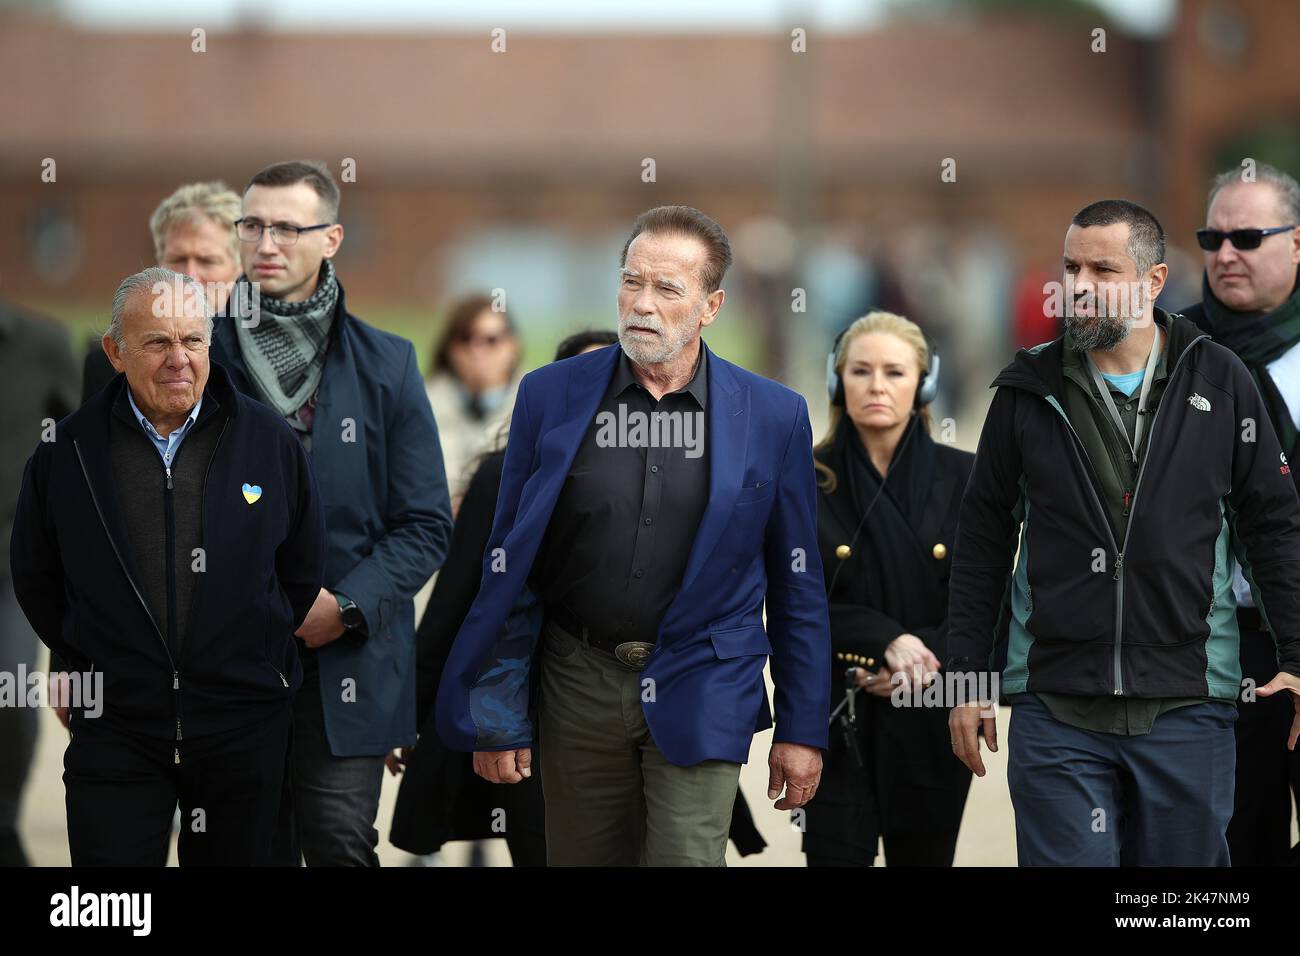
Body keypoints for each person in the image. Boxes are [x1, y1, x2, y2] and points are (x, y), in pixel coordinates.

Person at [436, 205, 830, 866]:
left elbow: (798, 589)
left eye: (667, 289)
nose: (642, 304)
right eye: (631, 281)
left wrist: (802, 727)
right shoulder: (548, 396)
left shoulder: (773, 416)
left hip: (706, 676)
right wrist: (497, 708)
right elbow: (511, 567)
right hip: (576, 681)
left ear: (710, 307)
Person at [948, 199, 1300, 866]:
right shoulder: (1027, 389)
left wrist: (1297, 655)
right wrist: (967, 676)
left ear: (1154, 280)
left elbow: (1274, 526)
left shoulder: (1220, 379)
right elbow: (982, 541)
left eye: (1103, 271)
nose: (1078, 285)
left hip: (1189, 703)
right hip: (1057, 710)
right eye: (1071, 268)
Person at [10, 268, 325, 865]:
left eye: (192, 340)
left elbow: (302, 566)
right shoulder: (67, 451)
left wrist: (251, 652)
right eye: (157, 341)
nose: (178, 359)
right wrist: (93, 653)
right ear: (115, 352)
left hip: (244, 728)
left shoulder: (268, 439)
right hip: (116, 731)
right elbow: (37, 574)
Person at [211, 159, 453, 866]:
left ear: (332, 238)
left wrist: (344, 607)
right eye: (252, 225)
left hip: (350, 657)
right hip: (223, 658)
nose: (266, 244)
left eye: (287, 228)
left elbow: (425, 524)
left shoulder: (388, 364)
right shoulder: (196, 354)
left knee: (339, 846)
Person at [804, 310, 973, 867]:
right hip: (835, 712)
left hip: (931, 707)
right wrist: (883, 640)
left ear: (924, 383)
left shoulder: (967, 477)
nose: (877, 385)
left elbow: (987, 601)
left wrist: (924, 661)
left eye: (895, 372)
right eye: (861, 370)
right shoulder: (802, 478)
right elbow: (794, 602)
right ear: (837, 381)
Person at [1179, 163, 1300, 865]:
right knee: (1230, 846)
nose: (1226, 253)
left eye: (1248, 237)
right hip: (1215, 646)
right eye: (1213, 238)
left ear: (1296, 243)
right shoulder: (1169, 349)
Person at [0, 300, 80, 866]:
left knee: (7, 691)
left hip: (10, 559)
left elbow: (84, 444)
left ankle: (3, 824)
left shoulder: (43, 343)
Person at [82, 182, 243, 402]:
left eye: (207, 261)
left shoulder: (261, 363)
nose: (190, 276)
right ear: (159, 263)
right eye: (178, 259)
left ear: (240, 269)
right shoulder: (107, 364)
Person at [425, 293, 522, 507]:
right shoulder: (420, 406)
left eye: (491, 340)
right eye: (466, 338)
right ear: (449, 347)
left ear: (513, 346)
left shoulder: (538, 405)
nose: (477, 350)